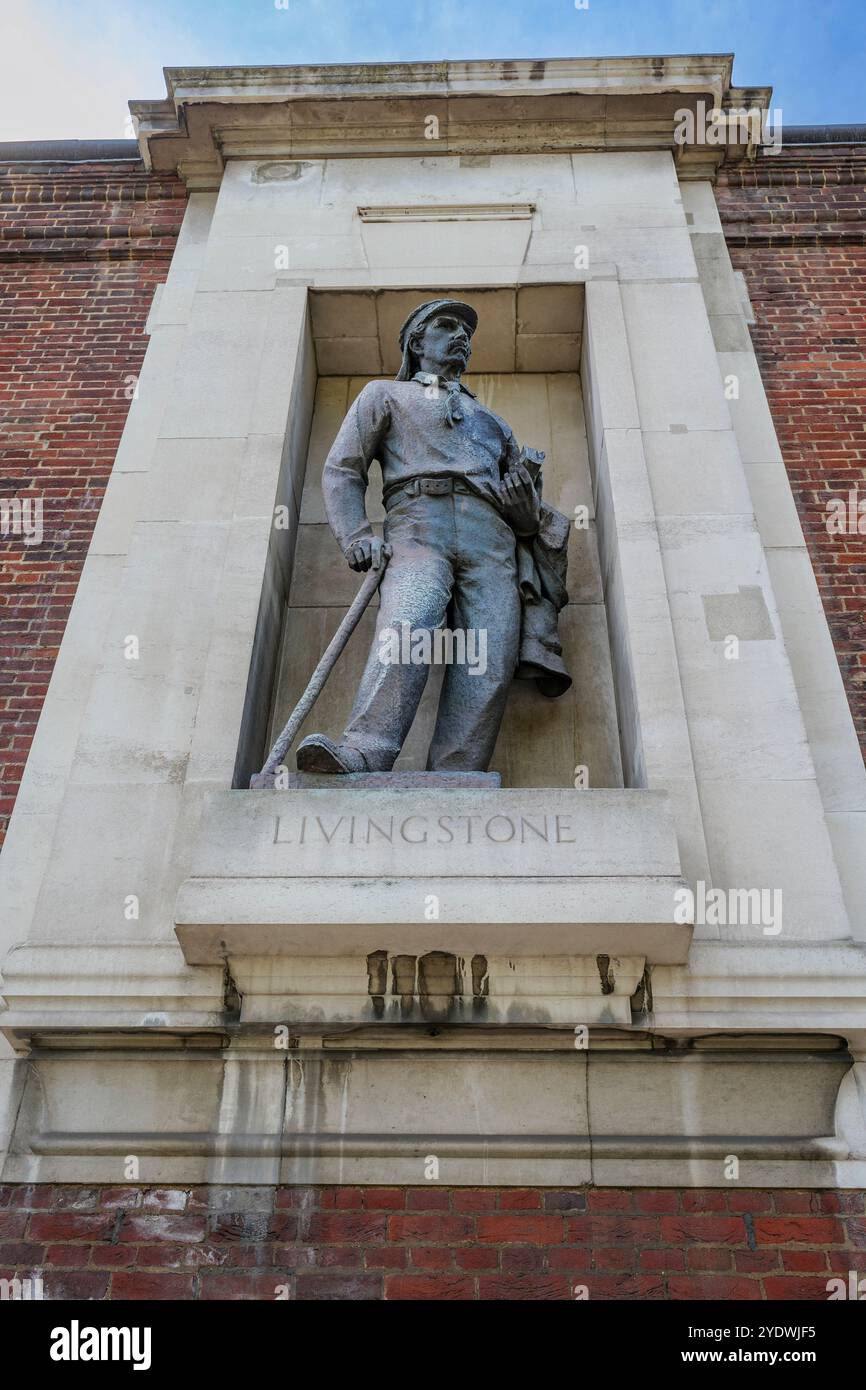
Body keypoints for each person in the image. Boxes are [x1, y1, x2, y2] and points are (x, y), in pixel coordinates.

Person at [296, 298, 571, 774]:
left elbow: (526, 515)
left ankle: (457, 772)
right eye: (447, 326)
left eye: (466, 330)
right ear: (417, 341)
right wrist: (356, 533)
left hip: (492, 538)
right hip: (418, 522)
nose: (461, 335)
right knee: (408, 624)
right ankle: (365, 751)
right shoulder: (384, 395)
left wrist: (526, 513)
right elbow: (343, 469)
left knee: (489, 652)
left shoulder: (495, 423)